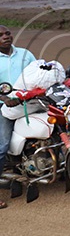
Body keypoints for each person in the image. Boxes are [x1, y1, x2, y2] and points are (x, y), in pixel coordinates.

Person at [0, 25, 37, 208]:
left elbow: (38, 73)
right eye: (1, 35)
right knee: (3, 144)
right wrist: (4, 98)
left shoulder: (25, 54)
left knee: (52, 127)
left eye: (7, 33)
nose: (6, 36)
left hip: (27, 103)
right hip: (3, 108)